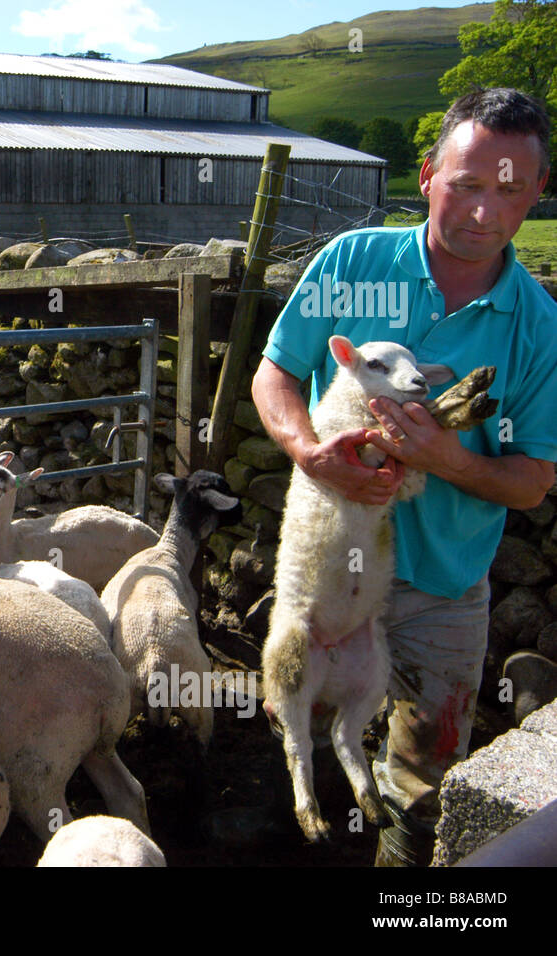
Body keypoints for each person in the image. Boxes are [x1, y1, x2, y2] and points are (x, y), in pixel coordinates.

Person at [250, 87, 557, 865]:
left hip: (441, 587)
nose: (486, 213)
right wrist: (307, 451)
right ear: (427, 175)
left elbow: (532, 481)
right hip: (325, 567)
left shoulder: (541, 327)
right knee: (306, 722)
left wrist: (443, 459)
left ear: (539, 193)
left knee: (422, 786)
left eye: (512, 190)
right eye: (467, 184)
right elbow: (276, 374)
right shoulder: (353, 264)